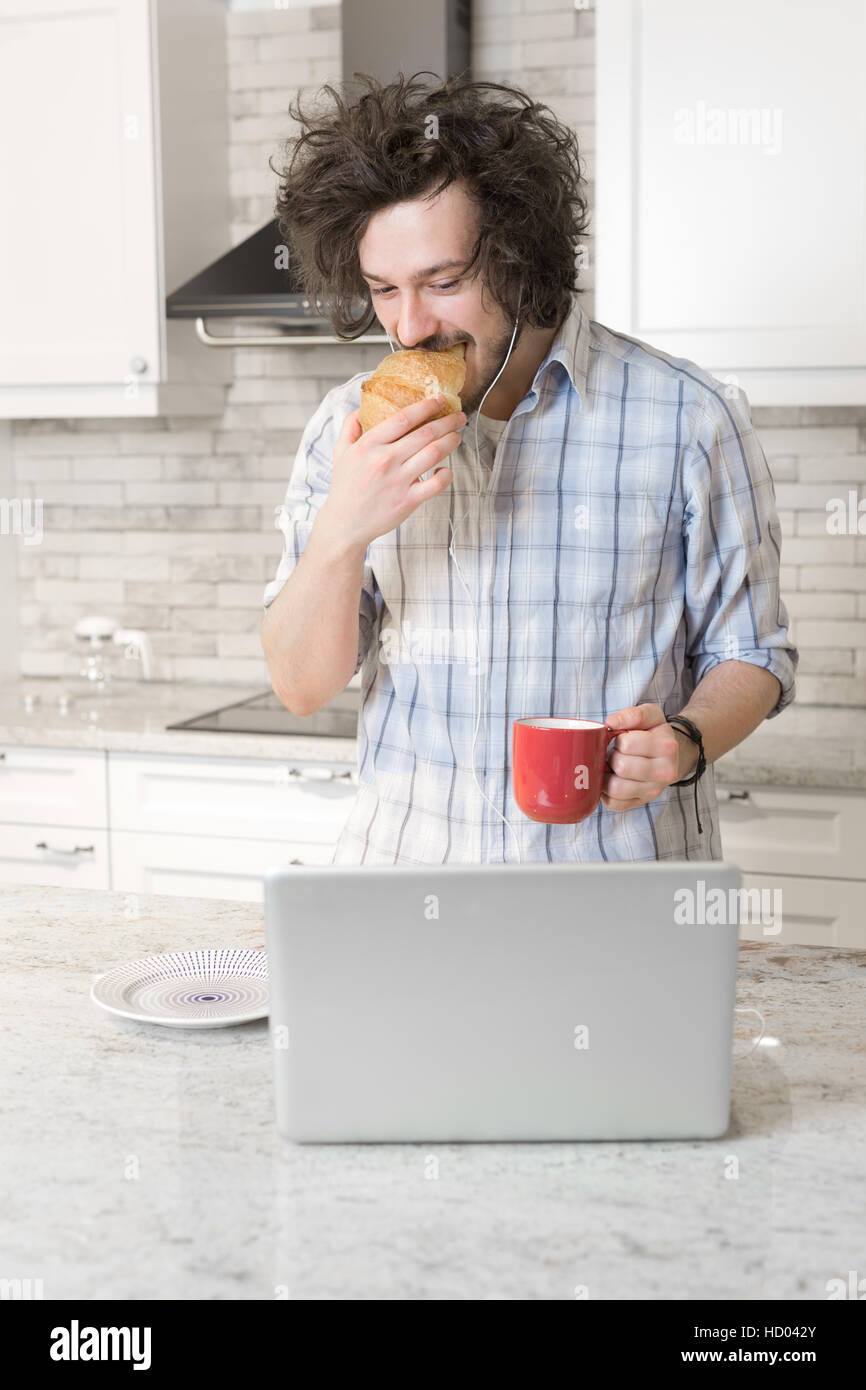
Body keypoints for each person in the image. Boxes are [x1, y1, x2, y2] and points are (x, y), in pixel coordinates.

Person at [261, 73, 798, 865]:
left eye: (443, 282)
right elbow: (303, 688)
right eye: (384, 289)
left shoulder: (687, 417)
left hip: (613, 899)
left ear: (519, 258)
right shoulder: (348, 431)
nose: (410, 325)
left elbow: (753, 652)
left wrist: (683, 742)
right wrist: (343, 529)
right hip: (405, 889)